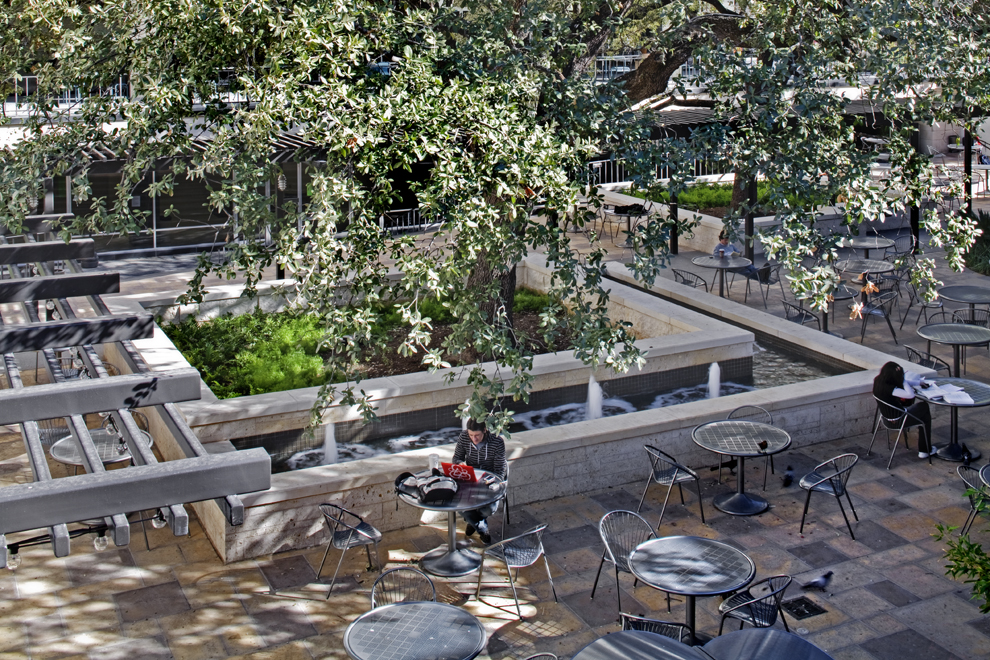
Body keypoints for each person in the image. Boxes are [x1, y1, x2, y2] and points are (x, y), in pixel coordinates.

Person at [452, 418, 506, 544]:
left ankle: (473, 522)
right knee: (457, 504)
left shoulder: (497, 442)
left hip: (489, 482)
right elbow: (456, 458)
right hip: (470, 480)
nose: (474, 439)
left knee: (488, 509)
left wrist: (490, 482)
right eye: (471, 435)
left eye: (477, 435)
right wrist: (460, 465)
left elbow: (499, 472)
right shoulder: (464, 437)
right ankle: (482, 528)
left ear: (485, 430)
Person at [873, 361, 932, 458]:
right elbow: (910, 395)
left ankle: (925, 450)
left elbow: (901, 384)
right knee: (924, 407)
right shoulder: (892, 389)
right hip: (899, 420)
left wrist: (919, 383)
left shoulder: (878, 381)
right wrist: (903, 379)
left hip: (886, 419)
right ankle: (924, 450)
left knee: (924, 415)